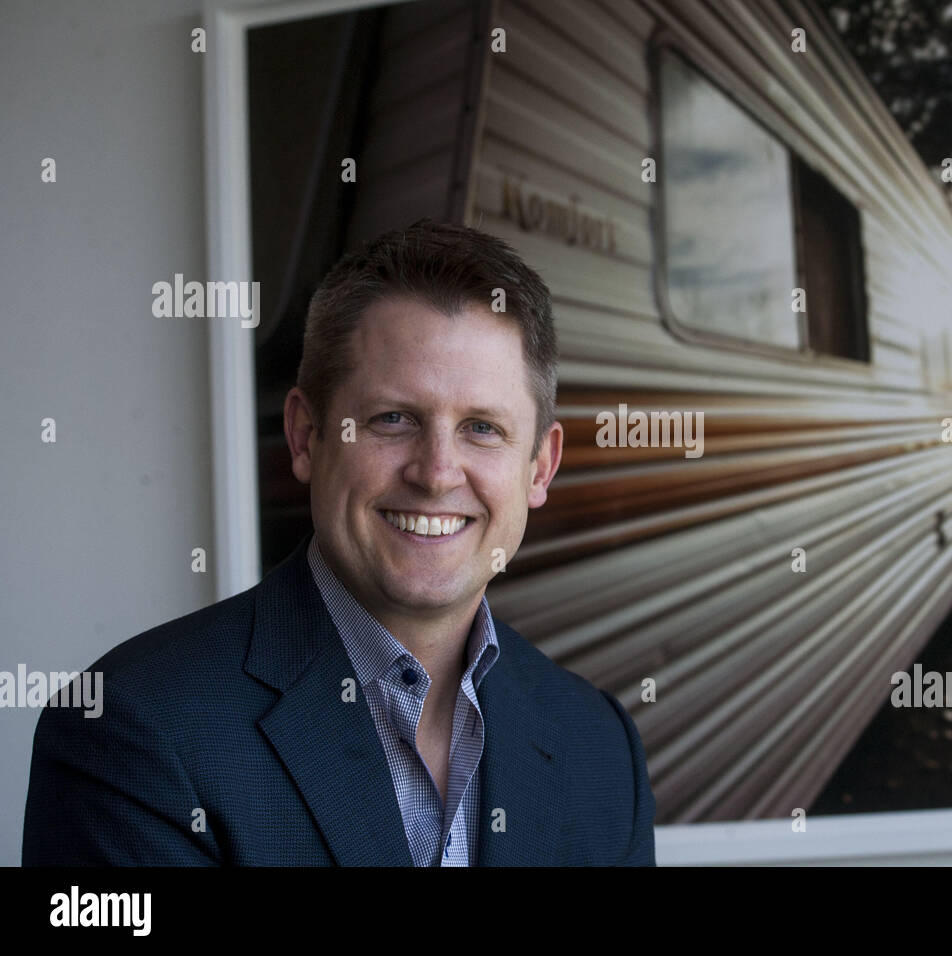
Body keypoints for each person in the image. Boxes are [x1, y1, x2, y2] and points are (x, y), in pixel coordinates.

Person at [23, 220, 656, 866]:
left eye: (482, 428)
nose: (437, 473)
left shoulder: (601, 751)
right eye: (393, 419)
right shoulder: (134, 732)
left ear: (540, 467)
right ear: (304, 436)